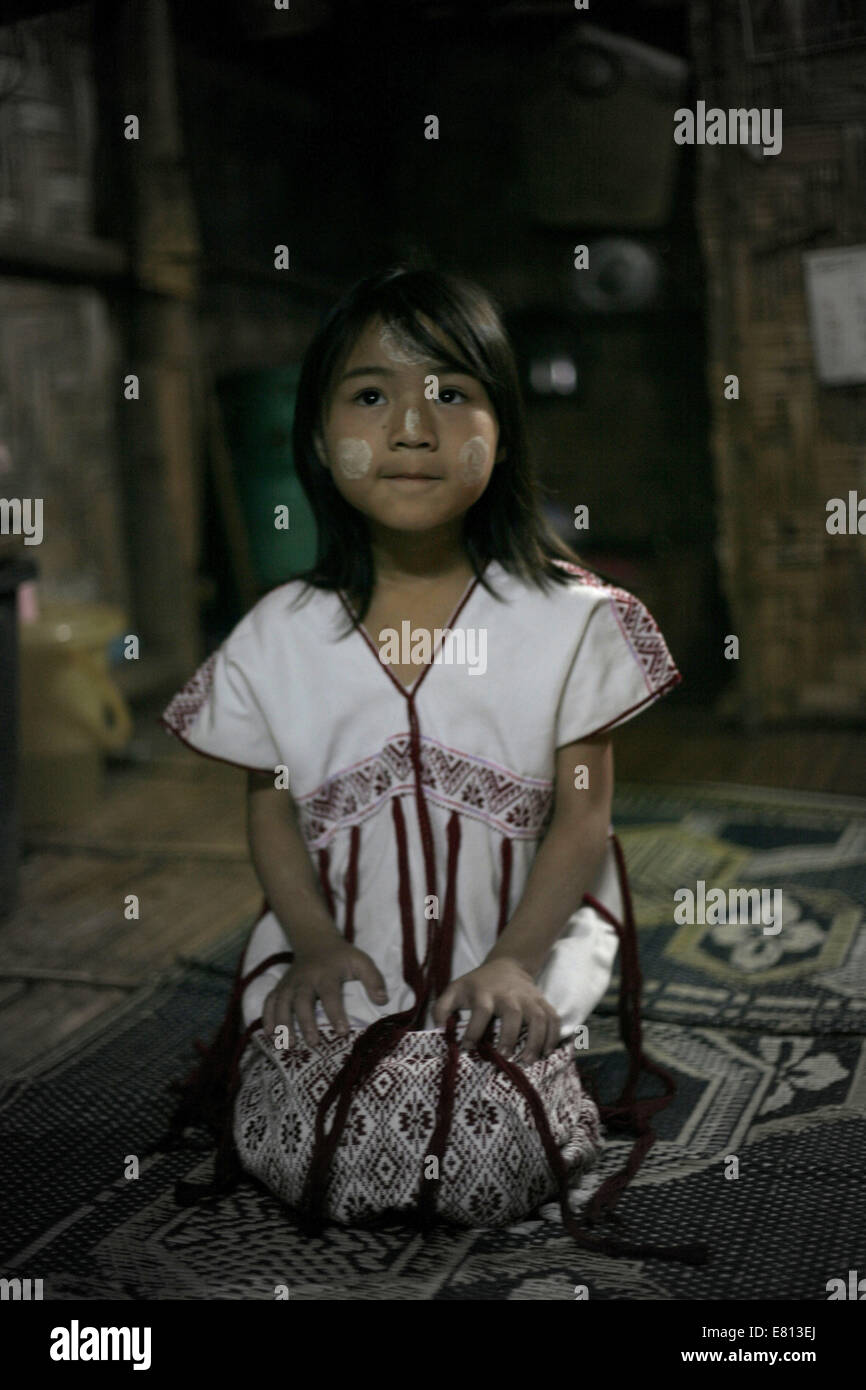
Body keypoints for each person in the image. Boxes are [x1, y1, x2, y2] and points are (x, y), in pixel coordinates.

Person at [161, 265, 682, 1216]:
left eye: (452, 393)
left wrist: (517, 960)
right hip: (344, 955)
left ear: (504, 432)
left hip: (515, 939)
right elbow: (272, 810)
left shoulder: (573, 621)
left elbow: (582, 821)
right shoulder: (281, 631)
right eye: (371, 396)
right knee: (307, 1144)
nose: (411, 427)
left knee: (487, 1154)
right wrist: (313, 943)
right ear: (320, 442)